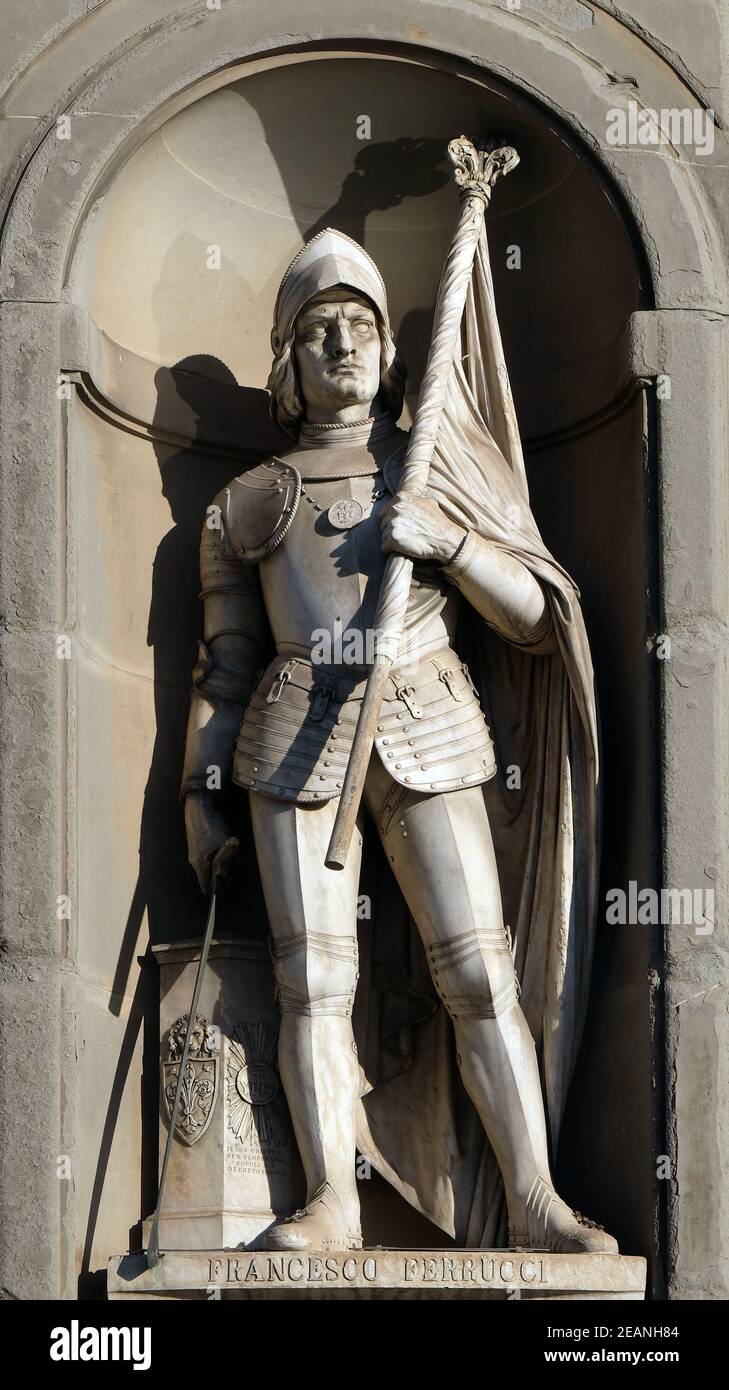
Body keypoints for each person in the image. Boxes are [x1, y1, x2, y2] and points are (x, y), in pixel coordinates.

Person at [182, 229, 617, 1255]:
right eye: (320, 327)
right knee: (313, 980)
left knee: (476, 970)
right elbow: (225, 665)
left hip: (422, 707)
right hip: (292, 734)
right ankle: (332, 1197)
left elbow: (533, 616)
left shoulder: (437, 467)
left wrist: (450, 542)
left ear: (389, 352)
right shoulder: (245, 501)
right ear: (287, 360)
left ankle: (533, 1196)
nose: (344, 341)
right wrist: (201, 795)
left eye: (362, 324)